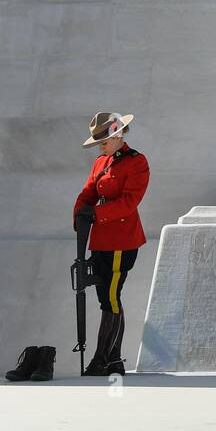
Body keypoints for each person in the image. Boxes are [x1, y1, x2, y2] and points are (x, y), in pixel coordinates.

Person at [73, 111, 150, 377]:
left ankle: (103, 358)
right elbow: (88, 192)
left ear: (118, 134)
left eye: (104, 140)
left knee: (111, 297)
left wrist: (95, 214)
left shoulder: (136, 162)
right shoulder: (100, 163)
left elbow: (130, 202)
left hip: (121, 240)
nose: (101, 145)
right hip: (101, 240)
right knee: (105, 296)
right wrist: (79, 215)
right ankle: (113, 359)